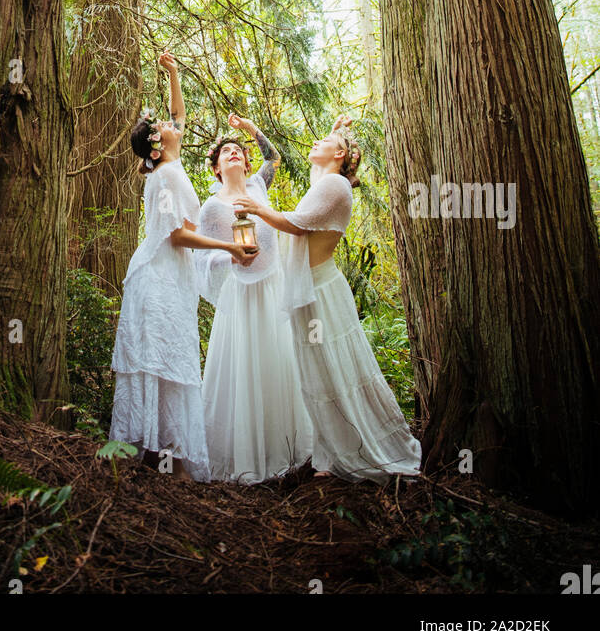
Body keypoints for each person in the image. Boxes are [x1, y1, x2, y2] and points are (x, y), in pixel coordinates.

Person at [233, 116, 421, 485]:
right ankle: (330, 453)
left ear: (339, 154)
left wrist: (257, 210)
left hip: (321, 291)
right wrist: (336, 130)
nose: (313, 145)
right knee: (316, 372)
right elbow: (315, 189)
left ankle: (357, 450)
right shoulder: (328, 181)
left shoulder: (336, 185)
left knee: (334, 368)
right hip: (311, 289)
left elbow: (299, 223)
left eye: (324, 141)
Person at [109, 52, 257, 482]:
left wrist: (173, 73)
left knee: (167, 360)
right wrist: (228, 245)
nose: (176, 125)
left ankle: (162, 459)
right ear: (159, 143)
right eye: (167, 128)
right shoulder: (168, 177)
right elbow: (178, 236)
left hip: (169, 277)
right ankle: (164, 463)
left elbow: (178, 115)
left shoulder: (168, 168)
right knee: (162, 360)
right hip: (159, 278)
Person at [195, 112, 316, 483]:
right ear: (216, 168)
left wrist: (249, 129)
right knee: (243, 367)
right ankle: (244, 458)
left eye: (238, 151)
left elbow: (274, 157)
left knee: (278, 363)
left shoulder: (259, 188)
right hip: (241, 295)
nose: (233, 153)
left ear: (246, 164)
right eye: (225, 152)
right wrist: (228, 253)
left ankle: (290, 450)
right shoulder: (212, 207)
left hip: (272, 289)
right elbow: (200, 257)